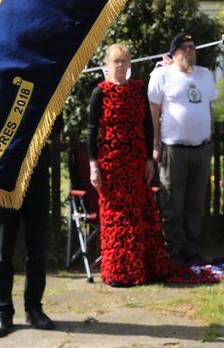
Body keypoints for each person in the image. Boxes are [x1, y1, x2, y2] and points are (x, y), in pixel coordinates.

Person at [87, 43, 163, 286]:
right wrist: (93, 164)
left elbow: (147, 125)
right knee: (116, 217)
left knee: (139, 213)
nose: (120, 66)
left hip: (135, 162)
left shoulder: (139, 90)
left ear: (130, 64)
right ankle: (118, 272)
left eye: (124, 61)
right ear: (107, 66)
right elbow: (91, 130)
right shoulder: (100, 92)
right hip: (111, 164)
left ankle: (144, 269)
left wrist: (149, 158)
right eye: (116, 62)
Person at [149, 32, 218, 262]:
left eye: (192, 47)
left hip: (200, 147)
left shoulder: (205, 75)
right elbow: (153, 113)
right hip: (173, 149)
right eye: (185, 47)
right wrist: (155, 144)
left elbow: (209, 107)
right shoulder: (162, 75)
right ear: (174, 53)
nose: (190, 51)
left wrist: (209, 132)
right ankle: (174, 249)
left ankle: (191, 247)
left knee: (196, 203)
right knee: (172, 202)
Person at [0, 140, 55, 338]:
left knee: (36, 248)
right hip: (2, 171)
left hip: (35, 169)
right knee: (2, 250)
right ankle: (2, 312)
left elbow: (56, 123)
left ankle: (34, 309)